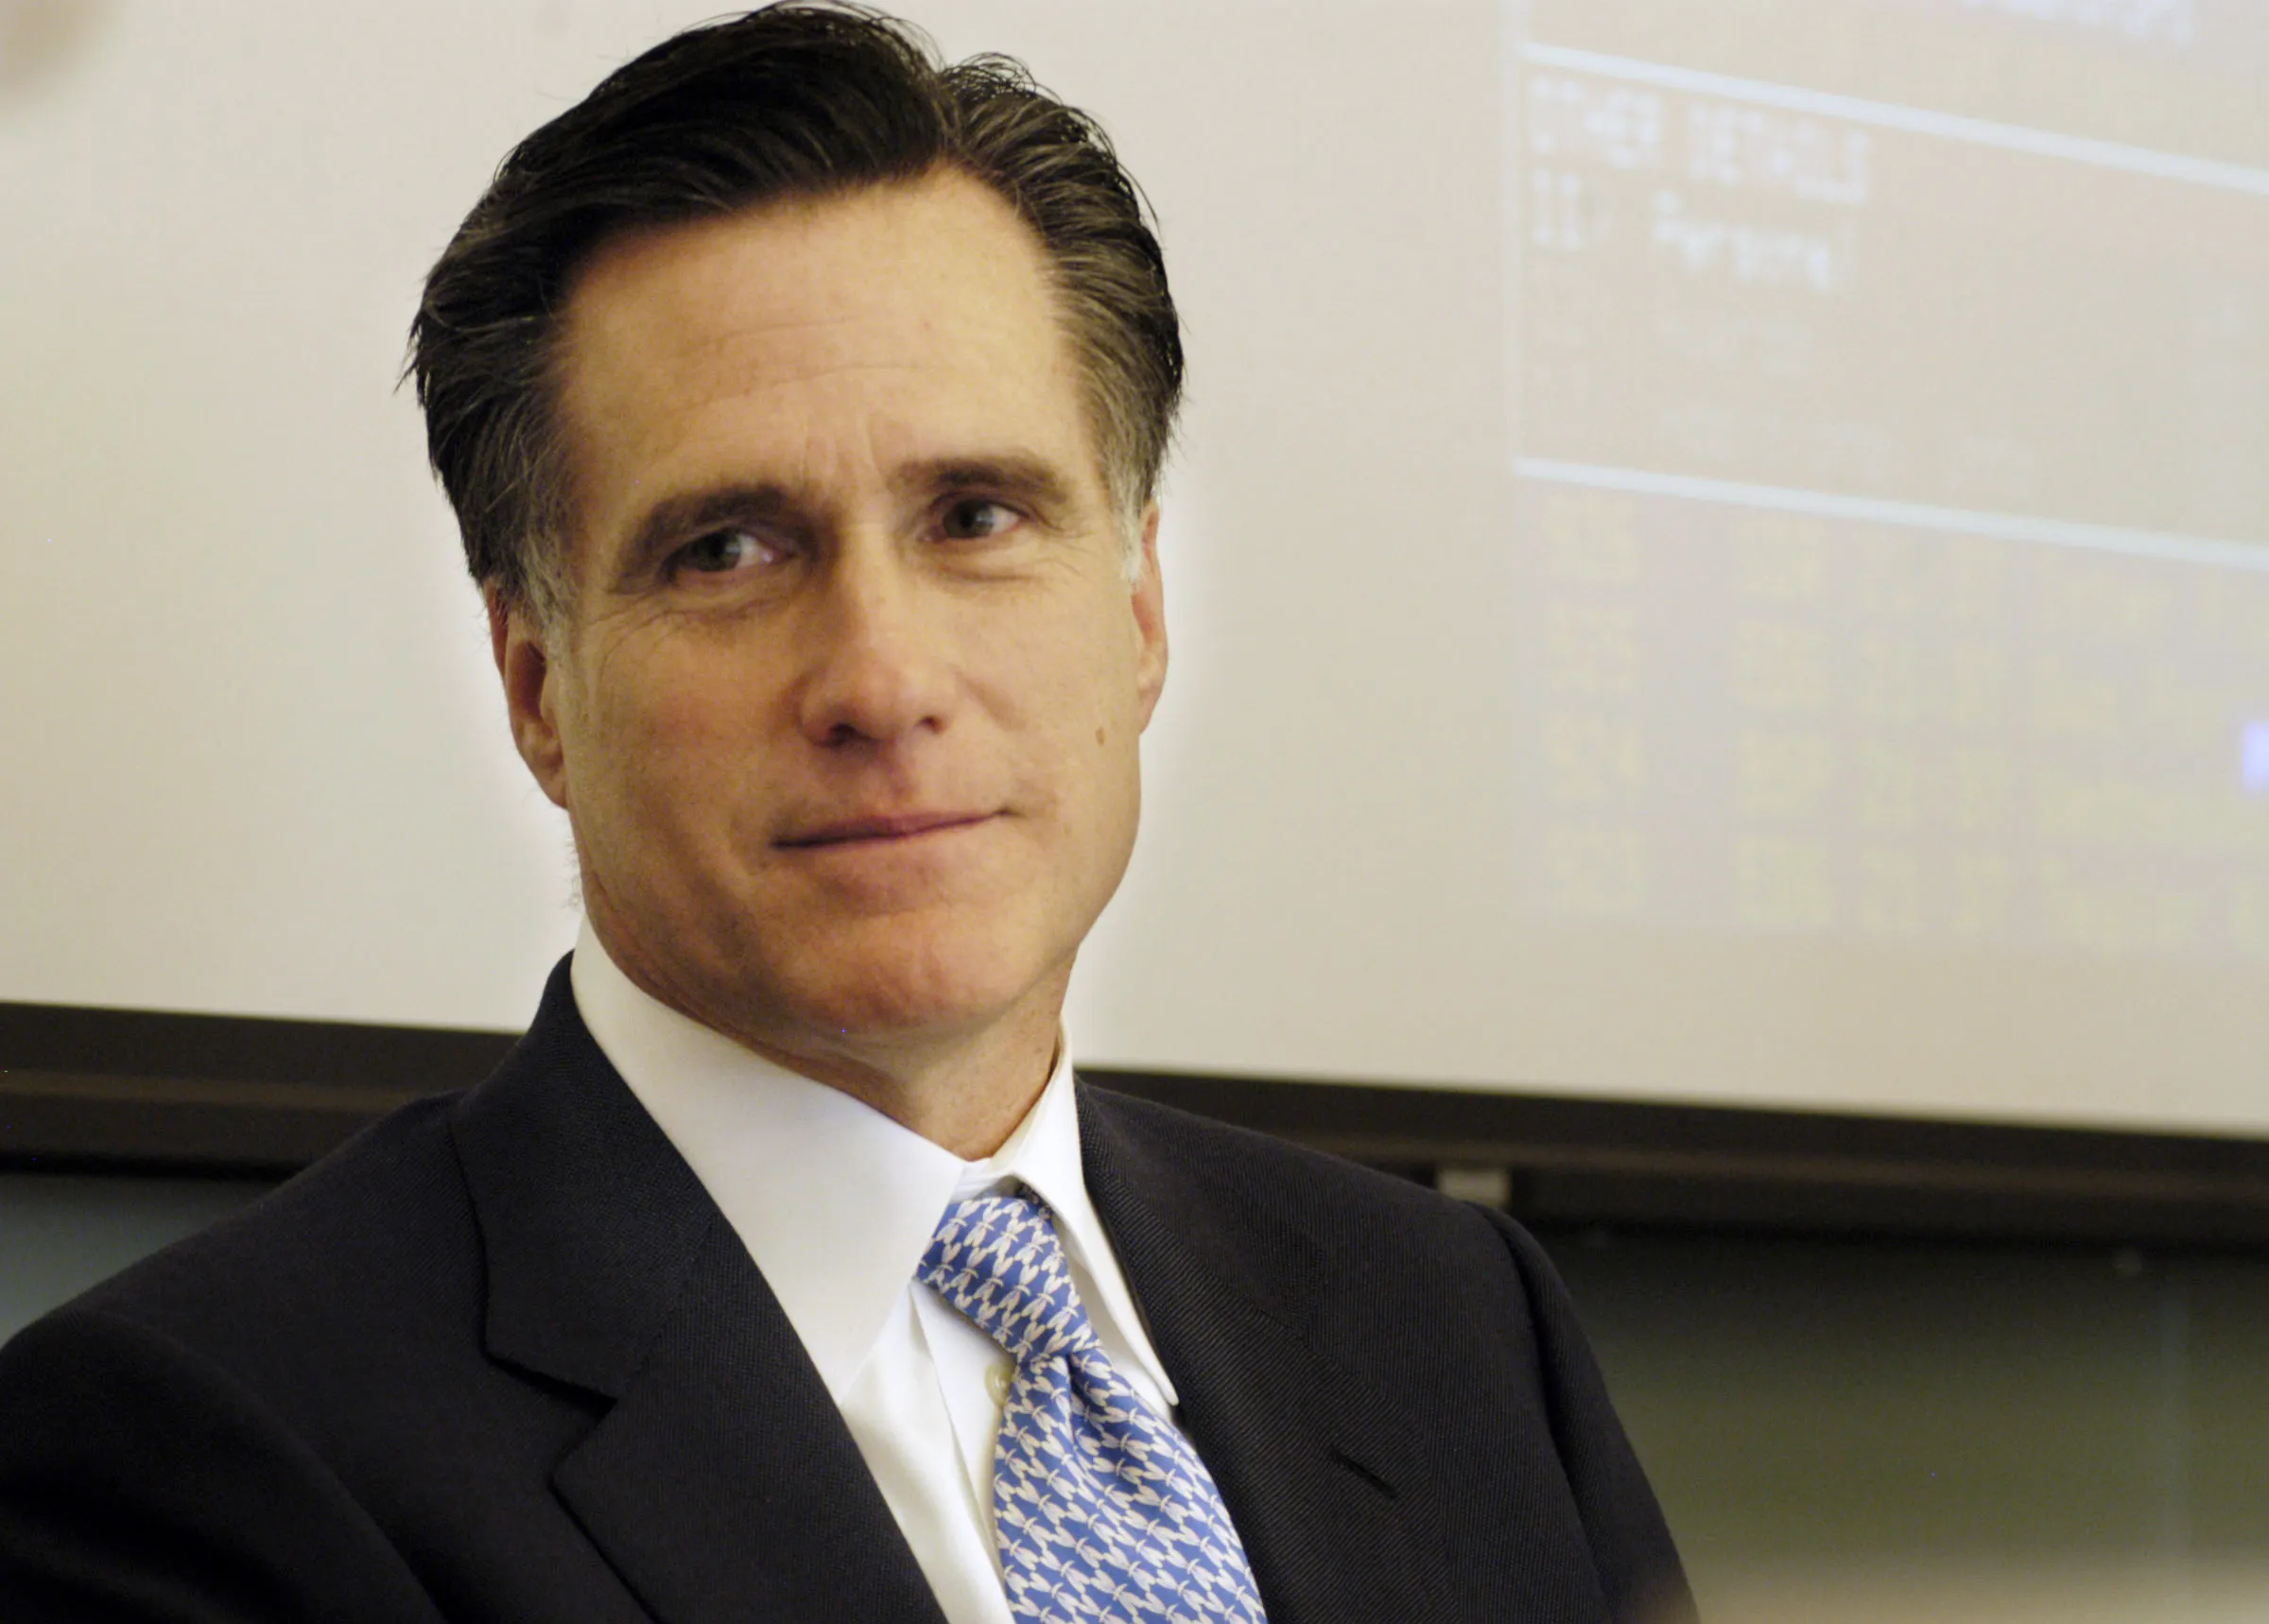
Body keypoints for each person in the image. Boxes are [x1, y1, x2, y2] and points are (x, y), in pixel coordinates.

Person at [0, 7, 1695, 1620]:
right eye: (726, 550)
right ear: (537, 689)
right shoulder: (193, 1450)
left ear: (1139, 612)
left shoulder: (1460, 1322)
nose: (883, 680)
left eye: (976, 516)